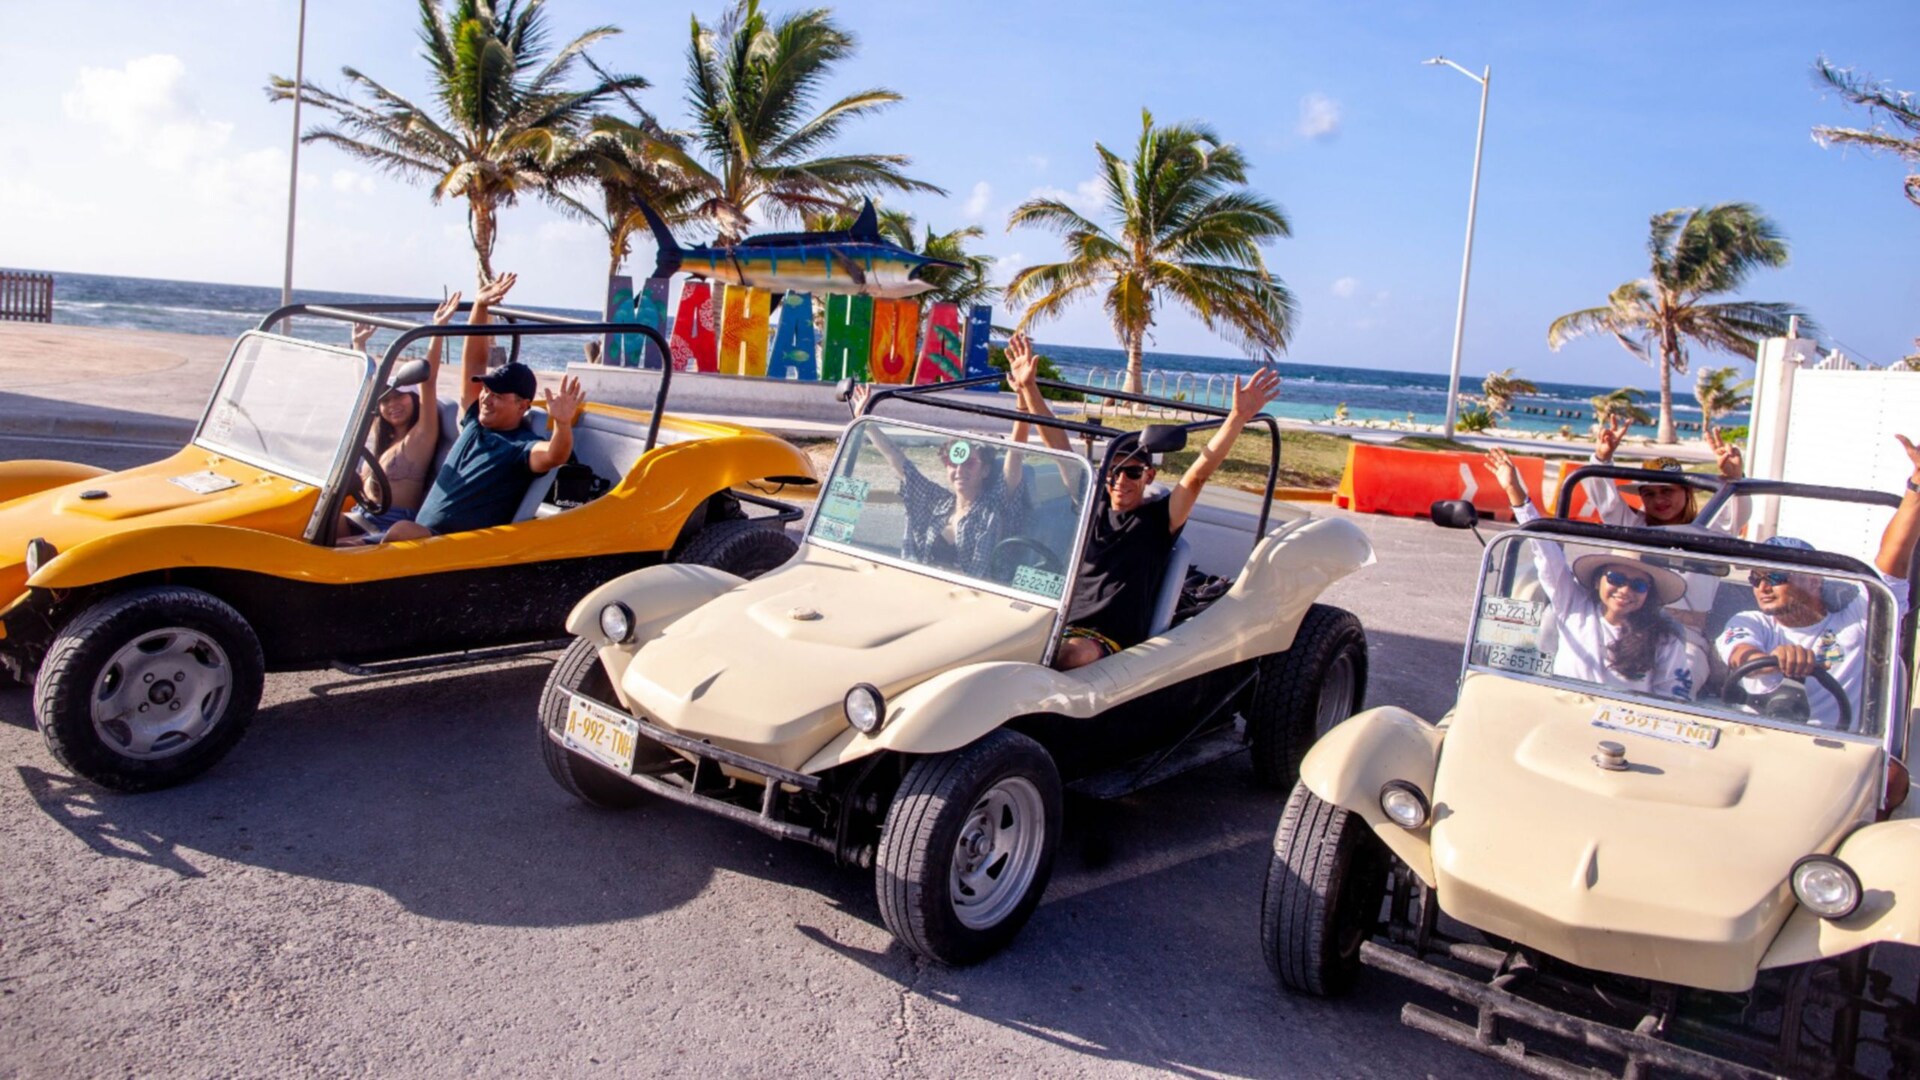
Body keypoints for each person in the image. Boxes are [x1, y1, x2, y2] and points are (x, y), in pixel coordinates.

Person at [1013, 334, 1282, 670]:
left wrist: (1237, 418)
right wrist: (1029, 388)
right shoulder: (1091, 506)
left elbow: (1196, 476)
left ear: (1149, 476)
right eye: (1114, 472)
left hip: (1105, 637)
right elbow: (1060, 451)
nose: (1122, 481)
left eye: (1133, 473)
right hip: (1058, 620)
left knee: (1067, 656)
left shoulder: (1158, 519)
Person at [1714, 435, 1920, 729]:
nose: (1762, 586)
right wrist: (1771, 659)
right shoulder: (1749, 621)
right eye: (1755, 578)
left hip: (1839, 751)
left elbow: (1894, 560)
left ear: (1813, 581)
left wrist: (1916, 487)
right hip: (1757, 739)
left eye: (1775, 576)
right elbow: (1740, 654)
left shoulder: (1859, 619)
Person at [383, 272, 587, 541]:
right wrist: (480, 307)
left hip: (449, 550)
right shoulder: (475, 421)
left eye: (498, 395)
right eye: (487, 390)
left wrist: (561, 424)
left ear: (522, 405)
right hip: (418, 541)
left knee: (399, 531)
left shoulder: (521, 446)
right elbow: (474, 364)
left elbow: (554, 455)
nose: (486, 398)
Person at [1490, 447, 1708, 699]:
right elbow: (1546, 553)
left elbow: (1672, 696)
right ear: (1597, 580)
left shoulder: (1665, 635)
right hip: (1560, 709)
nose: (1625, 590)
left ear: (1650, 593)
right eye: (1616, 579)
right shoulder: (1573, 605)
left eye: (1638, 585)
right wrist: (1515, 493)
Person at [846, 385, 1034, 580]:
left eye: (969, 463)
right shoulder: (939, 502)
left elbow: (1015, 455)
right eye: (953, 463)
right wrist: (865, 421)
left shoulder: (994, 506)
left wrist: (1022, 403)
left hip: (976, 599)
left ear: (986, 470)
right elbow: (900, 463)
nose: (959, 470)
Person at [342, 291, 461, 537]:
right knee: (310, 527)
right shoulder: (384, 439)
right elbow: (364, 396)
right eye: (385, 401)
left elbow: (429, 380)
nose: (392, 404)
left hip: (391, 523)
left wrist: (437, 329)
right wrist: (359, 345)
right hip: (362, 513)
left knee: (341, 548)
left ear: (413, 398)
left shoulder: (421, 436)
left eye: (399, 396)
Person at [1582, 414, 1744, 529]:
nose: (1658, 499)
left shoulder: (1707, 529)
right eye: (1649, 494)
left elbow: (1733, 519)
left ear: (1687, 492)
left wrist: (1734, 478)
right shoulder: (1631, 524)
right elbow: (1607, 502)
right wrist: (1602, 459)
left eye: (1667, 490)